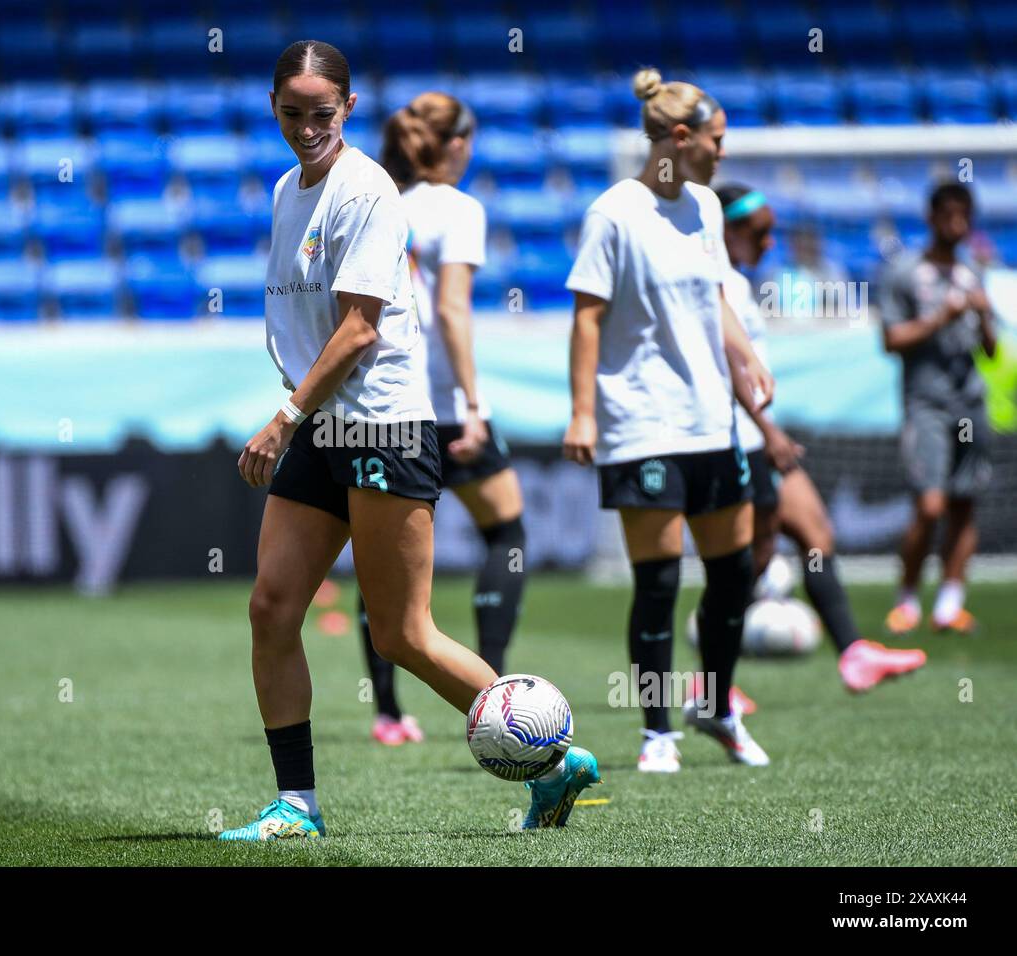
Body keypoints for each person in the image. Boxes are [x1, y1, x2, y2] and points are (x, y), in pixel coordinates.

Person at [220, 41, 597, 841]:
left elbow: (358, 331)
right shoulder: (290, 188)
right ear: (273, 108)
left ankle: (557, 759)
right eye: (292, 114)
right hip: (322, 423)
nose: (308, 128)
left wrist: (283, 417)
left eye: (323, 114)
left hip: (382, 427)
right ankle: (298, 805)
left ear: (349, 108)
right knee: (271, 607)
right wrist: (300, 415)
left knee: (402, 634)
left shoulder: (370, 191)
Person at [563, 68, 772, 774]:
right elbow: (587, 319)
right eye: (716, 141)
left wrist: (745, 361)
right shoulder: (613, 213)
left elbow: (716, 301)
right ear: (679, 139)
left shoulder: (707, 207)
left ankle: (713, 705)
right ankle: (658, 731)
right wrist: (584, 413)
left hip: (711, 419)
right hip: (642, 421)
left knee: (734, 572)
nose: (722, 154)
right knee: (657, 581)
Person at [355, 91, 528, 747]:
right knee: (507, 533)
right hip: (442, 406)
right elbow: (452, 311)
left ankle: (390, 714)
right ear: (454, 144)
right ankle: (491, 685)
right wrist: (475, 406)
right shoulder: (457, 209)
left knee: (378, 557)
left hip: (376, 401)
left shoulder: (378, 199)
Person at [712, 183, 927, 693]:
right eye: (760, 233)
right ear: (726, 230)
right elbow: (723, 364)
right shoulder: (713, 282)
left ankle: (853, 653)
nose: (770, 244)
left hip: (757, 436)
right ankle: (711, 683)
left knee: (814, 534)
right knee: (750, 558)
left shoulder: (738, 282)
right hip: (734, 439)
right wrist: (767, 429)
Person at [881, 183, 997, 635]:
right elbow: (891, 341)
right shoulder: (905, 272)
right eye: (948, 215)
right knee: (930, 506)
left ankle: (950, 603)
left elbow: (990, 352)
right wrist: (937, 321)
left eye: (964, 216)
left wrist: (984, 316)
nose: (957, 225)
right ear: (931, 218)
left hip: (969, 401)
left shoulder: (973, 273)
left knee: (964, 504)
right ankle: (907, 598)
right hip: (925, 403)